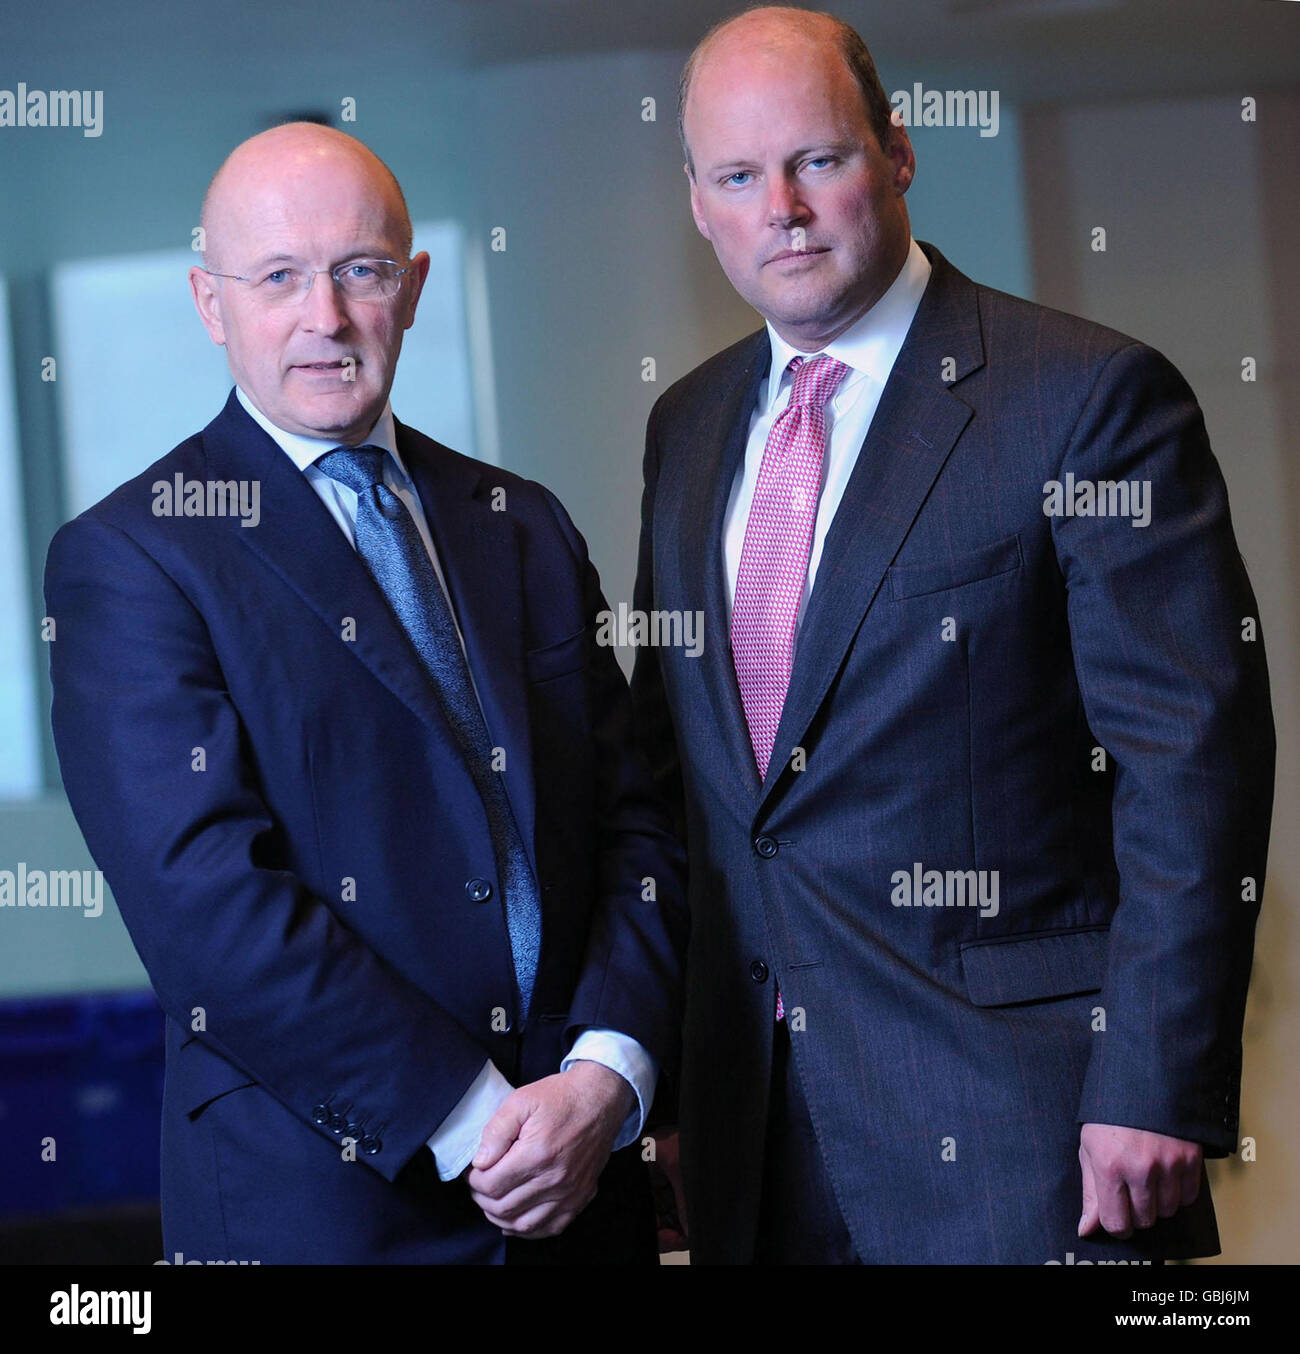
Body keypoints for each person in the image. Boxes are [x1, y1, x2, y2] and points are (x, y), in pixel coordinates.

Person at [631, 6, 1274, 1264]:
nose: (784, 209)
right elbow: (690, 781)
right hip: (751, 1136)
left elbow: (1190, 755)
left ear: (897, 152)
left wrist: (1155, 1076)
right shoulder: (689, 426)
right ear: (699, 201)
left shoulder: (1083, 397)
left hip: (1027, 1127)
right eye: (739, 176)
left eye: (816, 159)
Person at [44, 123, 687, 1265]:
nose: (325, 318)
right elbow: (209, 907)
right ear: (210, 302)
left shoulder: (521, 523)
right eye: (278, 276)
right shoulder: (135, 558)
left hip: (583, 1192)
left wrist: (605, 1076)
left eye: (361, 270)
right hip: (326, 1207)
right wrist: (483, 1124)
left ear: (415, 283)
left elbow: (637, 818)